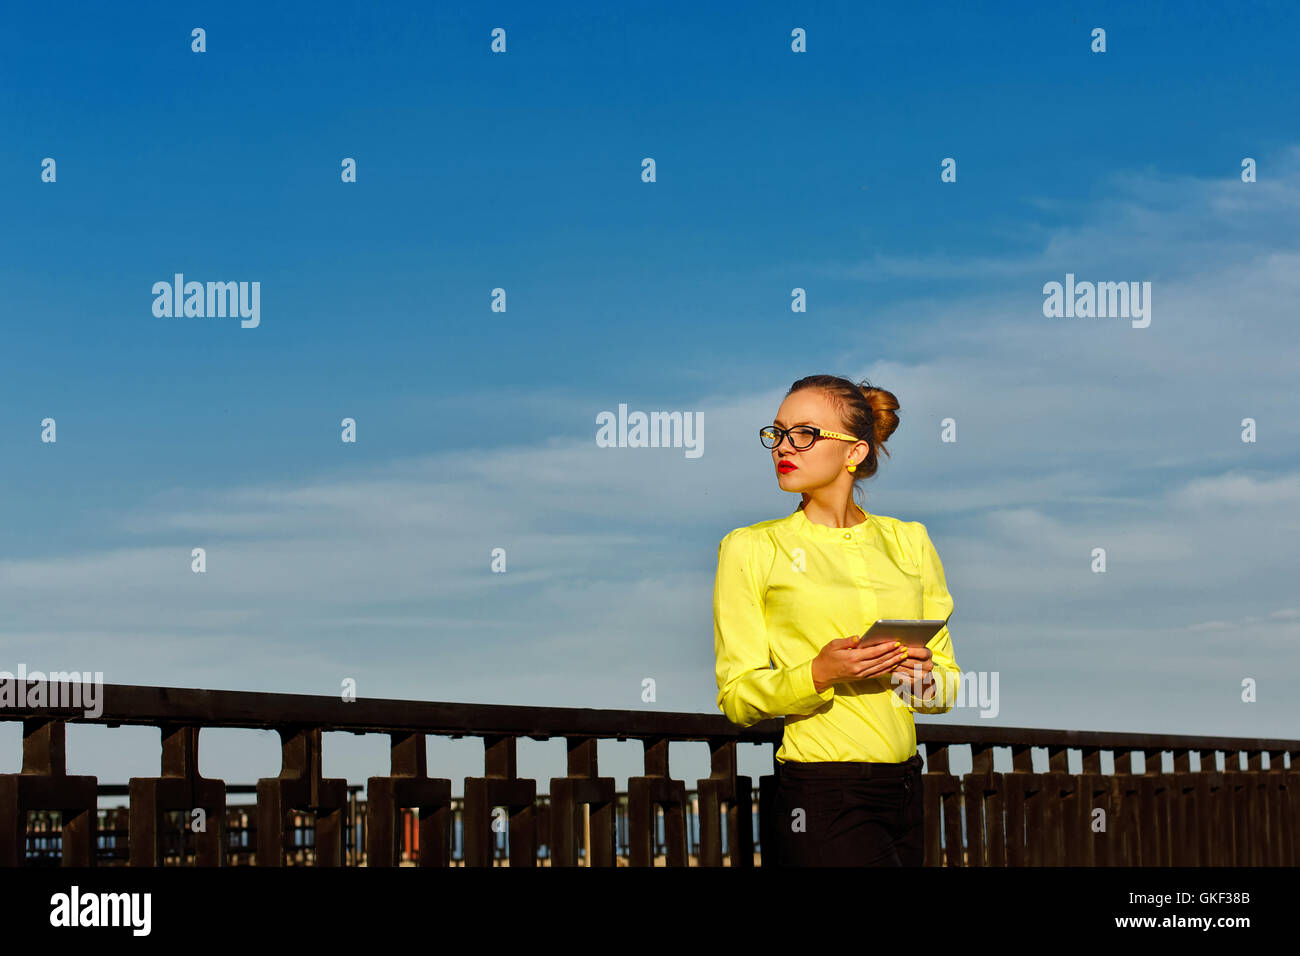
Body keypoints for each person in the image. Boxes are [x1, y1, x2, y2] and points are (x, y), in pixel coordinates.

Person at [712, 374, 961, 867]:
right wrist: (818, 675)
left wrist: (918, 680)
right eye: (777, 432)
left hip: (908, 788)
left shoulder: (911, 541)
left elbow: (948, 684)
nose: (784, 446)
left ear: (855, 452)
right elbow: (736, 697)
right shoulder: (750, 547)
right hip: (820, 792)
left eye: (804, 433)